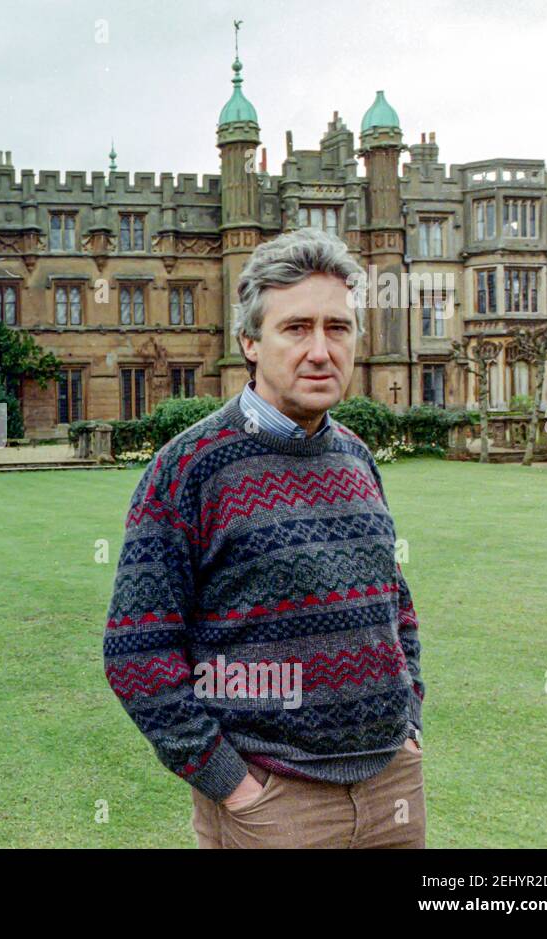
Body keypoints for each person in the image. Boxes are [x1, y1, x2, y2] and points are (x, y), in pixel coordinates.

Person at [103, 228, 425, 848]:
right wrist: (232, 785)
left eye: (338, 328)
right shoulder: (189, 468)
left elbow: (396, 606)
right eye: (296, 328)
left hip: (392, 789)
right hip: (273, 802)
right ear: (250, 342)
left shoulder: (356, 456)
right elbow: (137, 650)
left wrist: (409, 720)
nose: (321, 350)